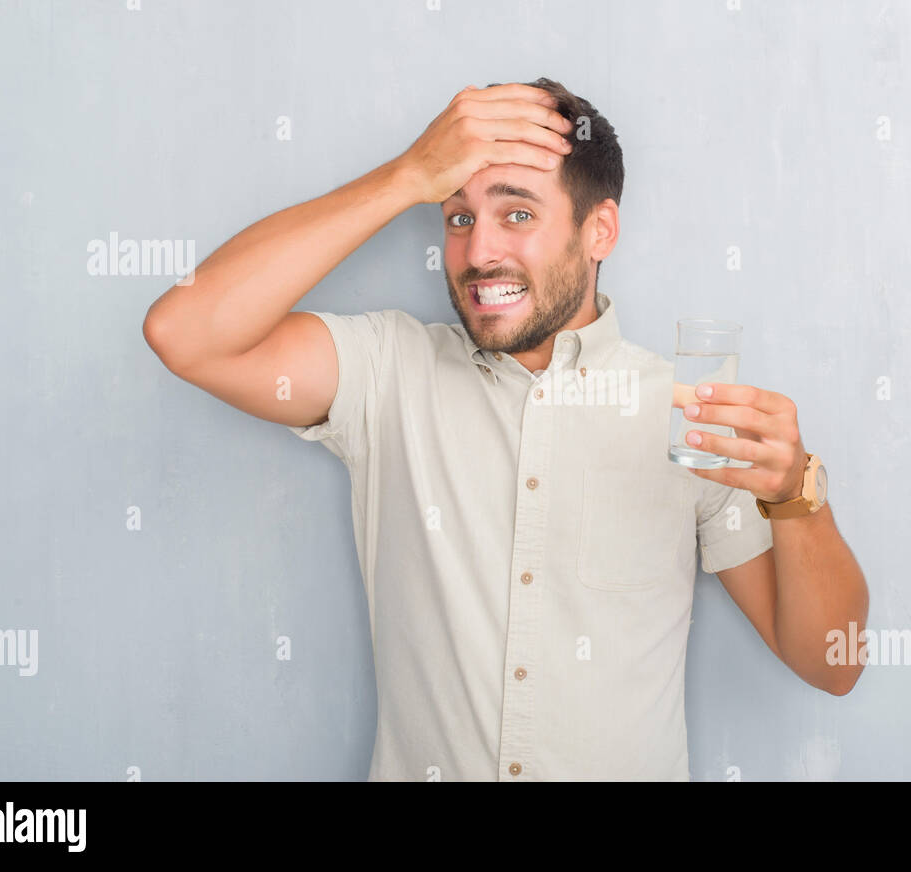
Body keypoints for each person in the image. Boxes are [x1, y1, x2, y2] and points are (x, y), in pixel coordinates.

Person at [142, 77, 869, 781]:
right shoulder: (388, 371)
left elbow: (832, 667)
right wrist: (405, 176)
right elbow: (185, 334)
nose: (478, 251)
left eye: (516, 213)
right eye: (457, 216)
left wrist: (797, 496)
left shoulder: (686, 415)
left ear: (599, 231)